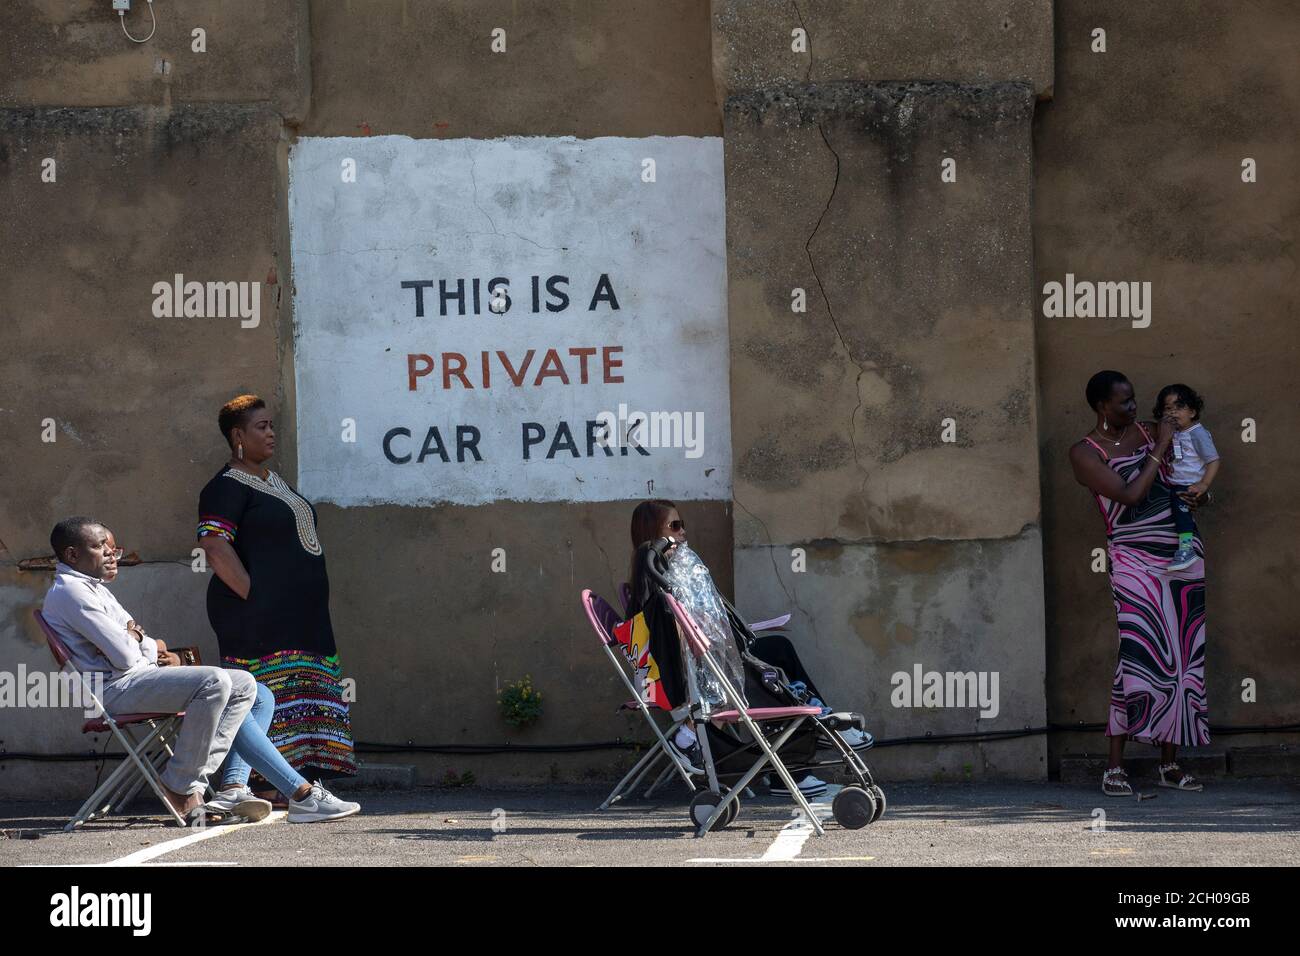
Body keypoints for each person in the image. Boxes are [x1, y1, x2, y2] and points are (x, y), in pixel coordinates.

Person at [41, 518, 359, 825]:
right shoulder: (72, 592)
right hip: (115, 691)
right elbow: (126, 655)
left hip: (136, 679)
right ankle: (193, 784)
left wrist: (137, 640)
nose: (112, 556)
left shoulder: (94, 588)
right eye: (102, 548)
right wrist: (135, 639)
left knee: (253, 689)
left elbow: (141, 641)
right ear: (72, 554)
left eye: (115, 550)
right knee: (215, 681)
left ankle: (232, 787)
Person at [625, 500, 865, 798]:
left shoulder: (674, 569)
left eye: (681, 524)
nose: (682, 532)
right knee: (766, 677)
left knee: (777, 648)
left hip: (710, 655)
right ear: (654, 533)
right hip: (696, 667)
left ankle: (819, 716)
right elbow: (664, 629)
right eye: (674, 527)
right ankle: (793, 770)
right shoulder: (652, 572)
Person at [197, 395, 356, 797]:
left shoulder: (275, 482)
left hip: (302, 620)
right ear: (237, 435)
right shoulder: (224, 487)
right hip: (257, 617)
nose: (271, 434)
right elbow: (215, 546)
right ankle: (265, 784)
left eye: (271, 426)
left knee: (302, 694)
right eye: (261, 427)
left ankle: (293, 779)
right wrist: (256, 595)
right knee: (267, 693)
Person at [1068, 371, 1210, 796]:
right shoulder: (1085, 453)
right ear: (1101, 407)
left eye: (1134, 400)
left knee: (1182, 657)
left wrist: (1200, 491)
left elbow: (1186, 473)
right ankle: (1115, 767)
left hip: (1182, 555)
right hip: (1132, 558)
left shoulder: (1150, 431)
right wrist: (1160, 448)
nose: (1134, 409)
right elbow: (1128, 496)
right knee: (1138, 655)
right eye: (1124, 403)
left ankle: (1169, 763)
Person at [1153, 383, 1220, 571]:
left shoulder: (1197, 433)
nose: (1173, 412)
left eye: (1179, 407)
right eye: (1168, 408)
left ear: (1192, 412)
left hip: (1187, 486)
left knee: (1182, 512)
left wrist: (1204, 484)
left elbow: (1213, 460)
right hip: (1173, 483)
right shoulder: (1174, 433)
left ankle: (1186, 549)